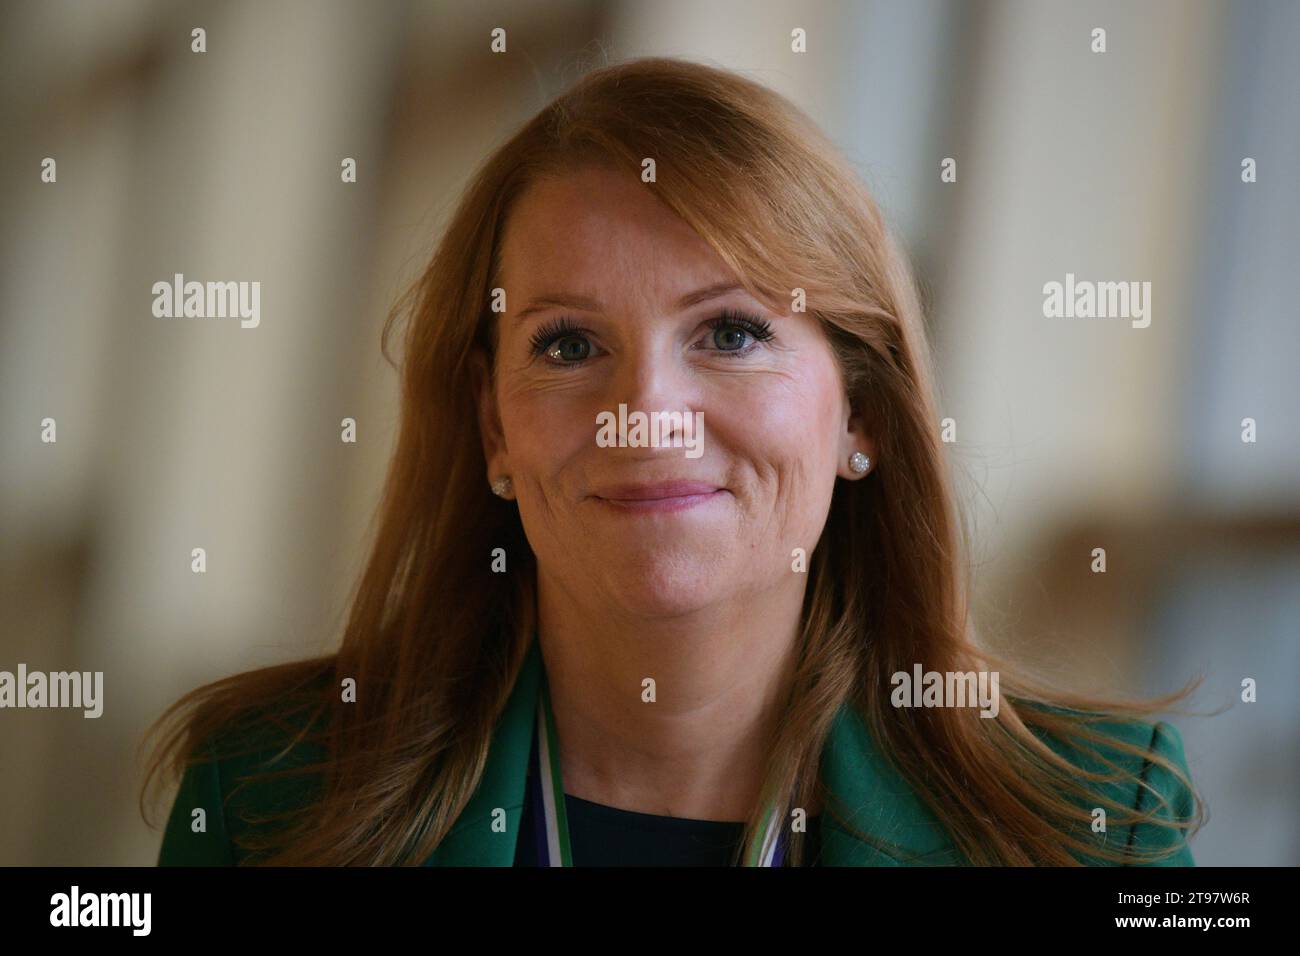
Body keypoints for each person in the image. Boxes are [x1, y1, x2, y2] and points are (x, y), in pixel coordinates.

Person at [143, 56, 1203, 867]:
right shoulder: (263, 796)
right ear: (493, 426)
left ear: (860, 413)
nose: (644, 414)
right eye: (568, 344)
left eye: (731, 332)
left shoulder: (1096, 821)